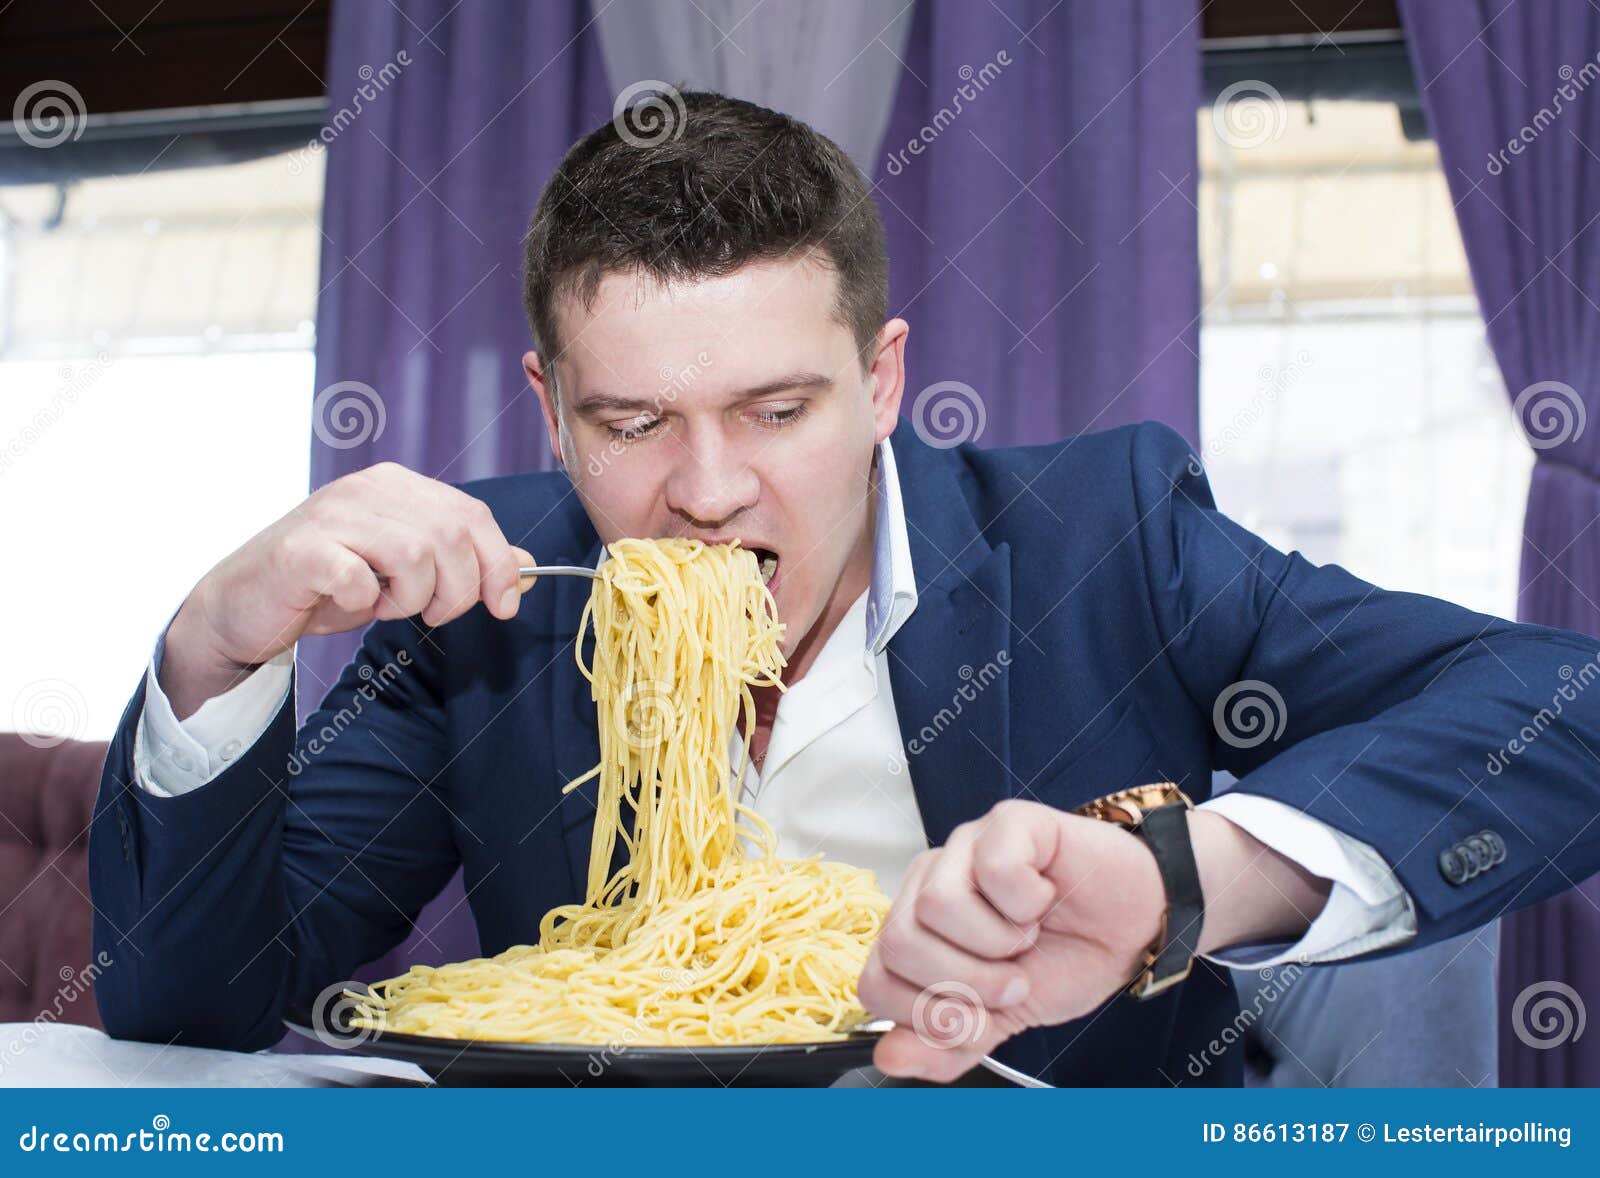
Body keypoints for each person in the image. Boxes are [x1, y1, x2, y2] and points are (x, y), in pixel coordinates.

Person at [90, 91, 1600, 1086]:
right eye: (632, 425)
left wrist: (1177, 879)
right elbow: (190, 1003)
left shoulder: (1099, 535)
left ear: (883, 383)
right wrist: (217, 645)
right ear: (552, 411)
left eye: (776, 409)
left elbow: (1556, 708)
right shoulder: (490, 602)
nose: (707, 489)